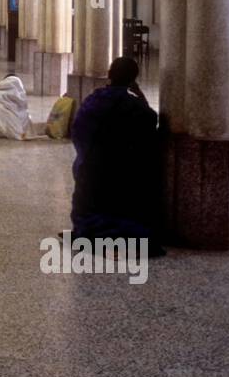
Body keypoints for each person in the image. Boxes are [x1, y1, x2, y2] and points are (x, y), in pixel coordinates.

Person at [70, 55, 164, 251]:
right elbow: (150, 121)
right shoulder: (133, 106)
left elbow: (78, 132)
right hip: (117, 177)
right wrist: (139, 94)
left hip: (89, 175)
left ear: (110, 75)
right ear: (133, 79)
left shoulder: (93, 100)